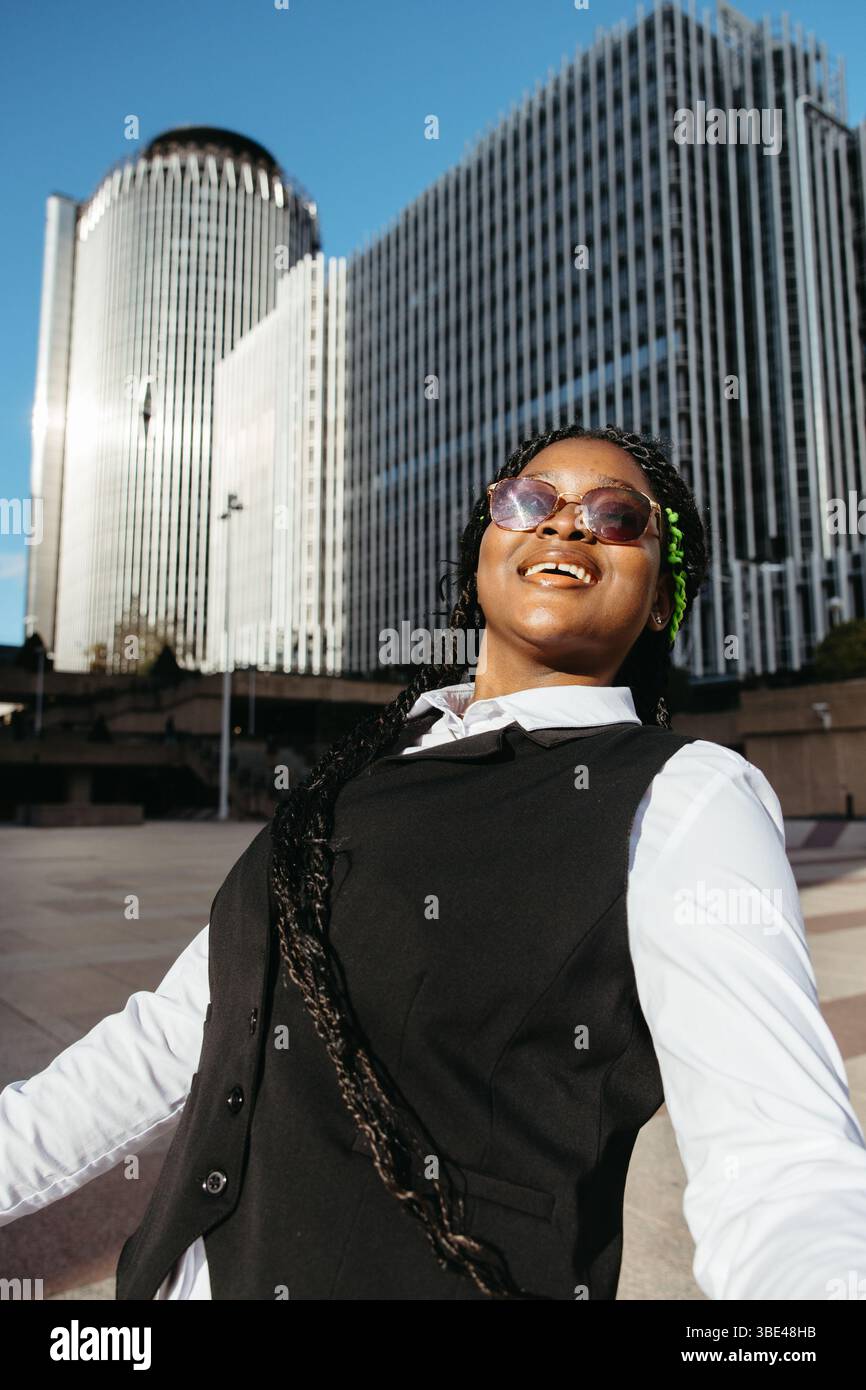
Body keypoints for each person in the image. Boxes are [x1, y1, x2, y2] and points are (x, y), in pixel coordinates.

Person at [2, 423, 866, 1301]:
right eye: (530, 501)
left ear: (659, 603)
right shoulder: (358, 772)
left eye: (616, 517)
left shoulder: (686, 796)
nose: (566, 527)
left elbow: (779, 1160)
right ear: (483, 549)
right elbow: (170, 1034)